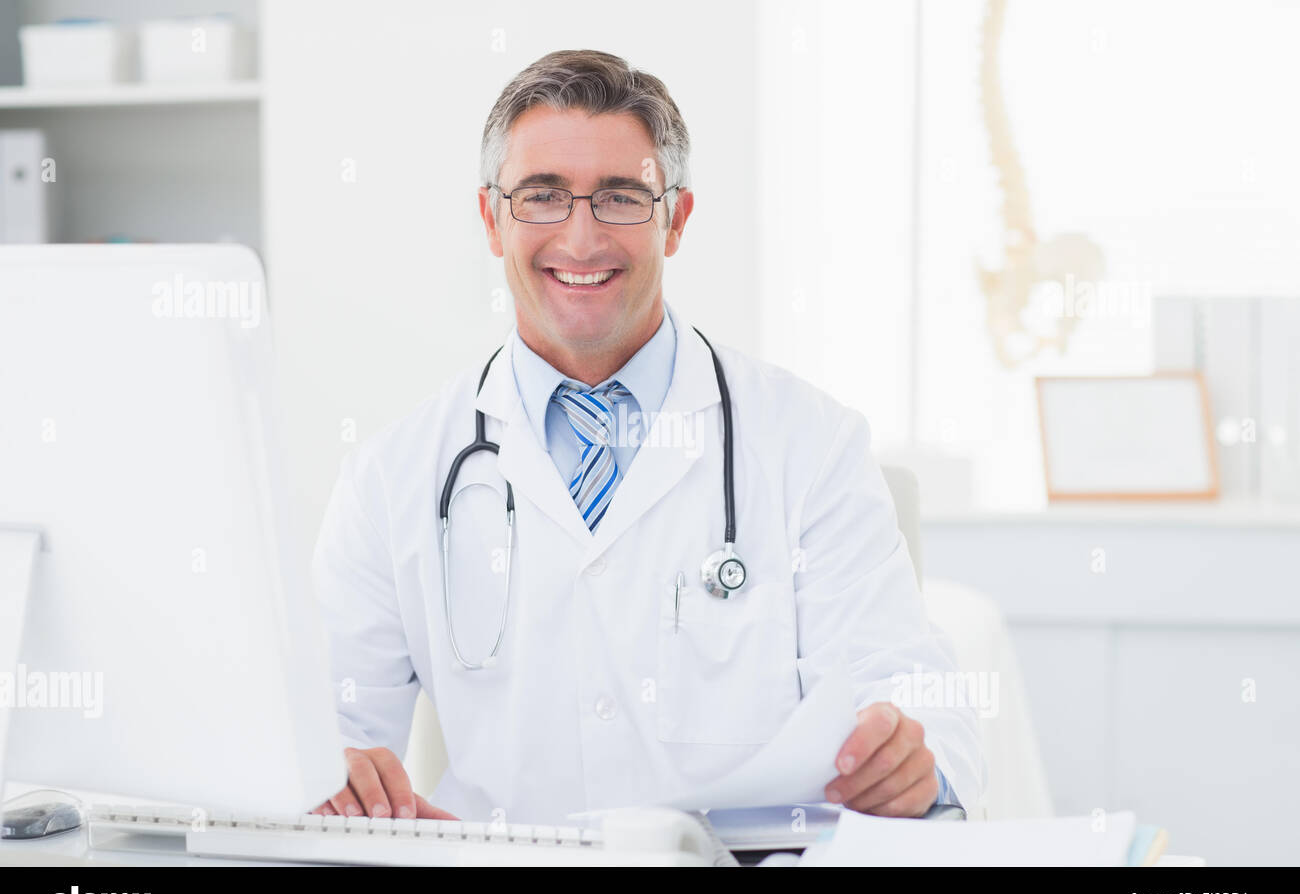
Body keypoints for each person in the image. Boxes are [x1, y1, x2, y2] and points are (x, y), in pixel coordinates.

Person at [310, 49, 984, 825]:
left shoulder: (813, 446)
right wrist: (337, 778)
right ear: (493, 220)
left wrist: (909, 760)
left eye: (623, 197)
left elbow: (905, 688)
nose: (582, 236)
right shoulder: (390, 478)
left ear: (677, 219)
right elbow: (327, 732)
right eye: (542, 196)